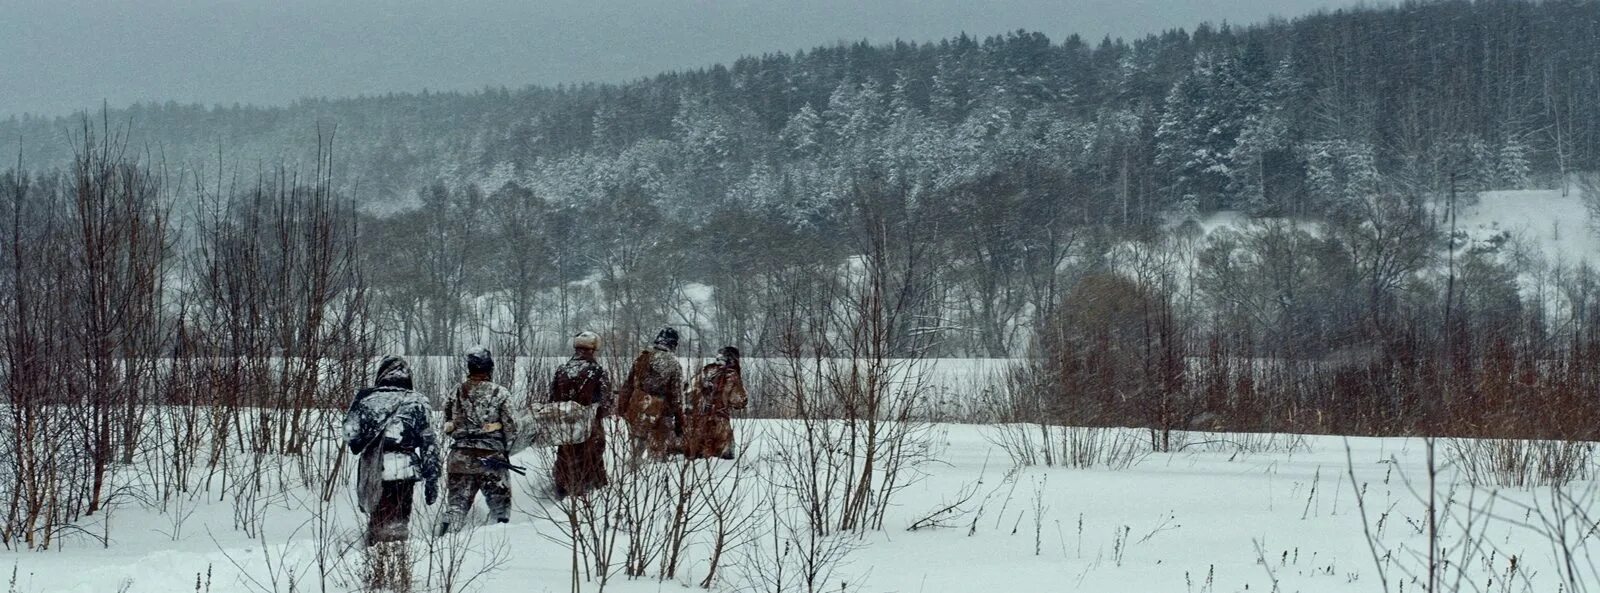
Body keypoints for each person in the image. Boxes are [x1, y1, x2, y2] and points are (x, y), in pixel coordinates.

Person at [342, 355, 440, 589]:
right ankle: (396, 574)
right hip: (405, 469)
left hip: (374, 470)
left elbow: (351, 437)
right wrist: (432, 479)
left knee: (377, 520)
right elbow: (429, 444)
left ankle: (375, 574)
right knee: (398, 523)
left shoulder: (367, 400)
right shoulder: (419, 402)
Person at [438, 347, 517, 534]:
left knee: (456, 506)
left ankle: (444, 542)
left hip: (459, 457)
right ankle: (502, 544)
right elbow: (512, 427)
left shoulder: (455, 392)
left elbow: (448, 423)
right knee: (500, 510)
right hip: (492, 460)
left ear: (469, 367)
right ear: (490, 368)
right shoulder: (500, 393)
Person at [549, 331, 613, 497]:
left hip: (564, 428)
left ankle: (562, 491)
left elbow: (552, 399)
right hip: (590, 428)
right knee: (593, 460)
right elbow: (607, 404)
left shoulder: (561, 371)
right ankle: (592, 495)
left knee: (565, 457)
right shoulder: (597, 371)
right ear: (593, 348)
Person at [618, 327, 685, 460]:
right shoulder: (674, 364)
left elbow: (628, 385)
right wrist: (679, 421)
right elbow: (676, 396)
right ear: (673, 344)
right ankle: (655, 473)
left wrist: (622, 407)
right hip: (662, 414)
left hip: (638, 408)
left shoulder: (642, 358)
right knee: (657, 455)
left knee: (636, 448)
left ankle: (632, 472)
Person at [685, 346, 747, 460]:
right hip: (720, 421)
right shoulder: (732, 375)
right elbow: (739, 402)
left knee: (696, 457)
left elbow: (689, 392)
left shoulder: (705, 371)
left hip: (698, 421)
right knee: (725, 458)